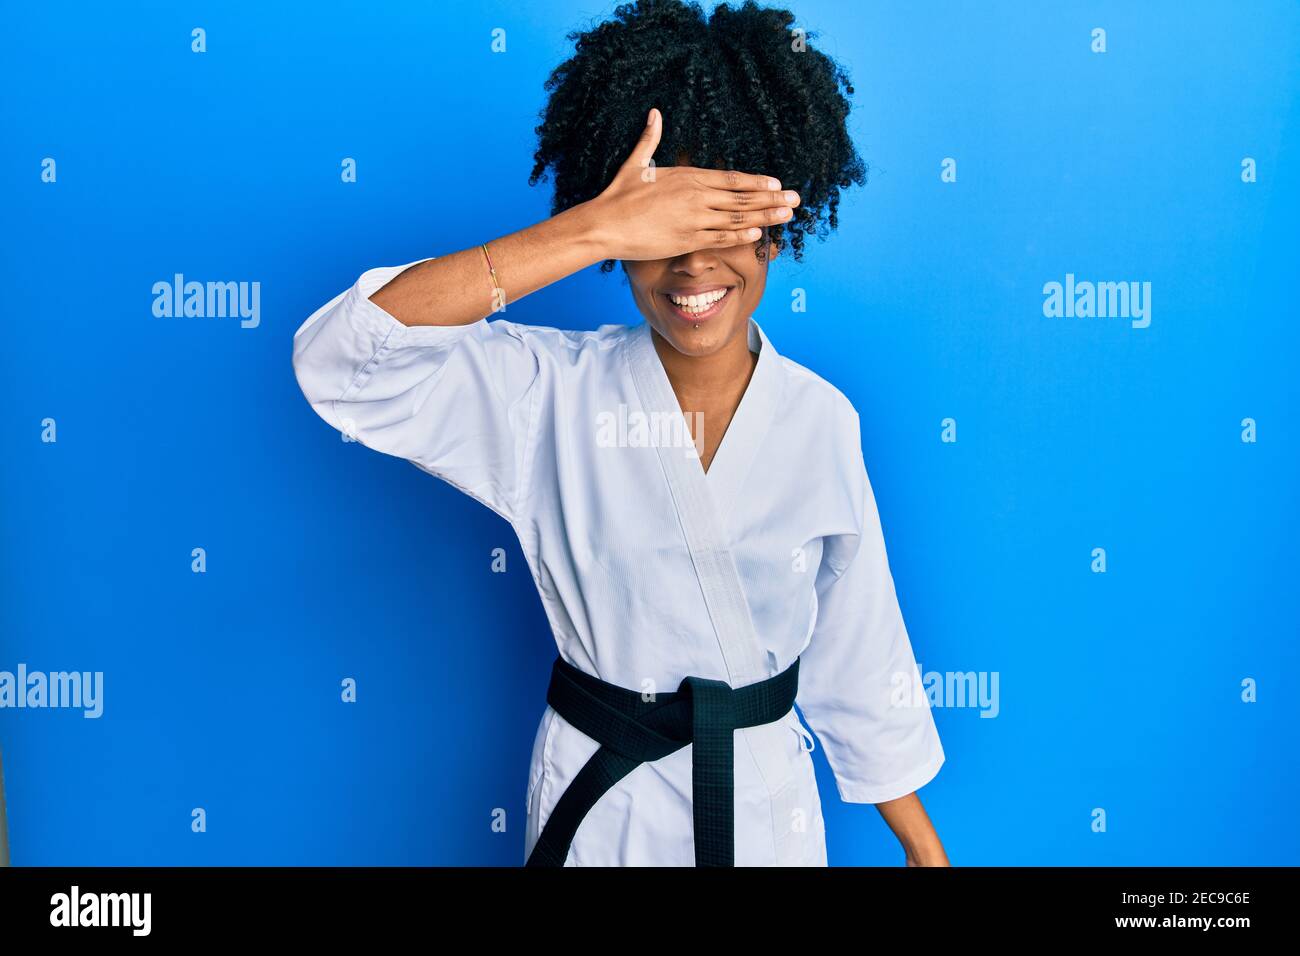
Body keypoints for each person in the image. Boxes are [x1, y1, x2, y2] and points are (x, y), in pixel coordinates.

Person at [292, 0, 948, 867]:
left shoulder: (821, 418)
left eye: (719, 225)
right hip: (605, 810)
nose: (693, 266)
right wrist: (592, 225)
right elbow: (343, 360)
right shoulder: (546, 395)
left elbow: (858, 648)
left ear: (776, 228)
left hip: (766, 814)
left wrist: (924, 849)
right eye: (661, 232)